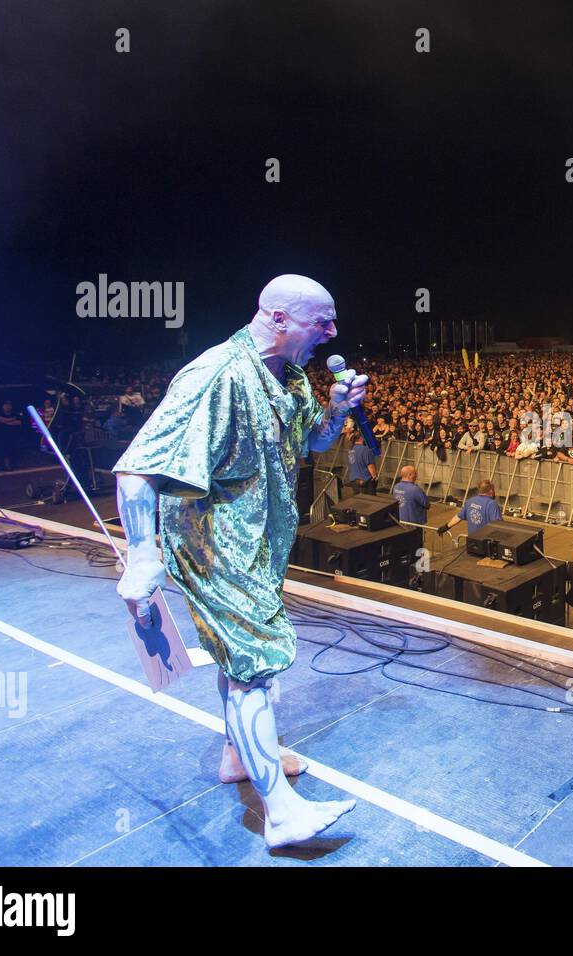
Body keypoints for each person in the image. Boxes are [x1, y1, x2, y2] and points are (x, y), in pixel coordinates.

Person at [113, 274, 358, 848]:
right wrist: (142, 552)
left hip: (259, 545)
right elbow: (136, 468)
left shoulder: (291, 376)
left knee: (240, 659)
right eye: (320, 321)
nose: (331, 333)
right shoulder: (216, 374)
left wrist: (339, 411)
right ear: (276, 318)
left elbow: (313, 445)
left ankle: (238, 755)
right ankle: (281, 814)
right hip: (212, 545)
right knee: (255, 661)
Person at [345, 426, 378, 494]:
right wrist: (375, 477)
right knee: (371, 502)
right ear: (361, 438)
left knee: (359, 502)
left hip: (354, 480)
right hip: (365, 481)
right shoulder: (365, 450)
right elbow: (370, 466)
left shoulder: (351, 450)